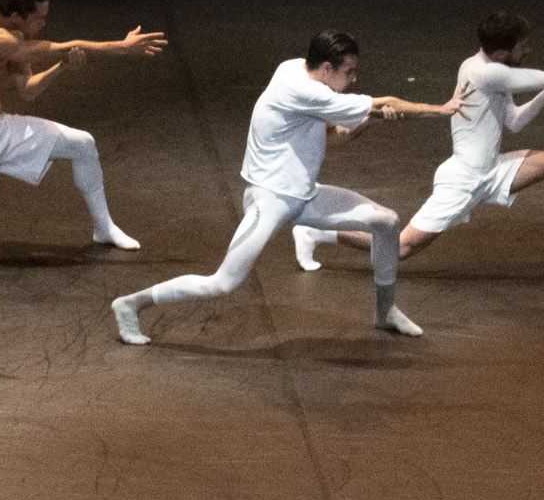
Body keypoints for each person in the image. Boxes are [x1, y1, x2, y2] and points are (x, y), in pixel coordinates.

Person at [110, 31, 461, 345]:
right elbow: (388, 103)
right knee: (222, 283)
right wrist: (441, 110)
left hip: (306, 196)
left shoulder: (294, 68)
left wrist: (372, 118)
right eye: (349, 71)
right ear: (326, 68)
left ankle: (385, 312)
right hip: (270, 199)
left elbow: (334, 139)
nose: (354, 78)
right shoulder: (303, 89)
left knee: (386, 221)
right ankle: (131, 303)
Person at [296, 10, 544, 275]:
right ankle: (318, 233)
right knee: (401, 249)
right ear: (504, 52)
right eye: (523, 46)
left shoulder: (493, 70)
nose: (528, 50)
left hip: (492, 169)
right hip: (463, 179)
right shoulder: (485, 72)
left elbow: (515, 123)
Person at [0, 0, 164, 251]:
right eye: (39, 17)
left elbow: (27, 89)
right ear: (17, 16)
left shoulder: (12, 31)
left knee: (83, 144)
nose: (44, 23)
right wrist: (122, 48)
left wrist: (62, 67)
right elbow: (68, 45)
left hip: (0, 127)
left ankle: (104, 228)